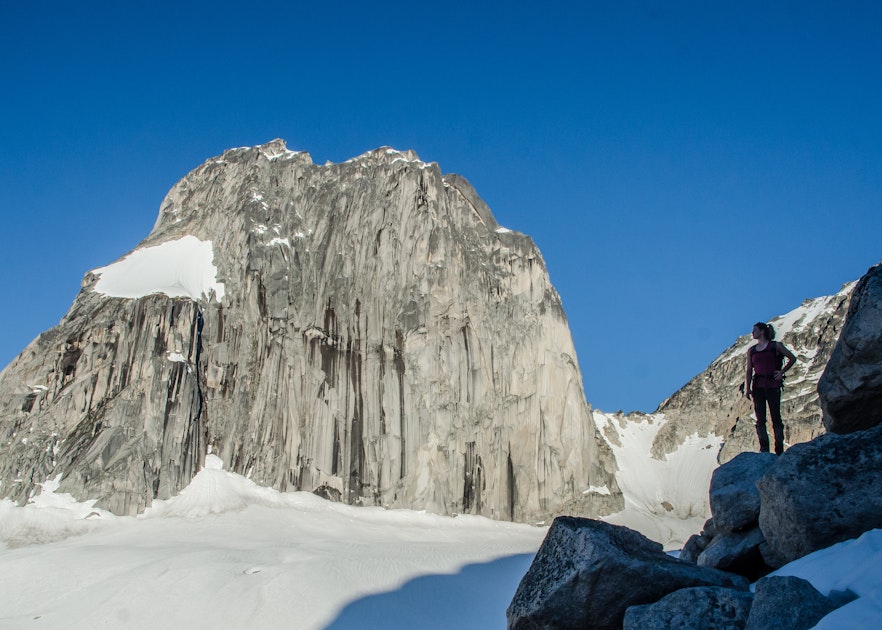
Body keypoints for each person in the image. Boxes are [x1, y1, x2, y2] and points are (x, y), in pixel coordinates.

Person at [744, 322, 797, 454]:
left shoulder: (776, 346)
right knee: (760, 418)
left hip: (772, 385)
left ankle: (778, 448)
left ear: (762, 331)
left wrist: (781, 372)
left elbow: (792, 358)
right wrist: (748, 388)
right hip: (758, 386)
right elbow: (749, 370)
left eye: (754, 330)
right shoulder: (752, 351)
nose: (752, 333)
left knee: (775, 416)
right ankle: (764, 448)